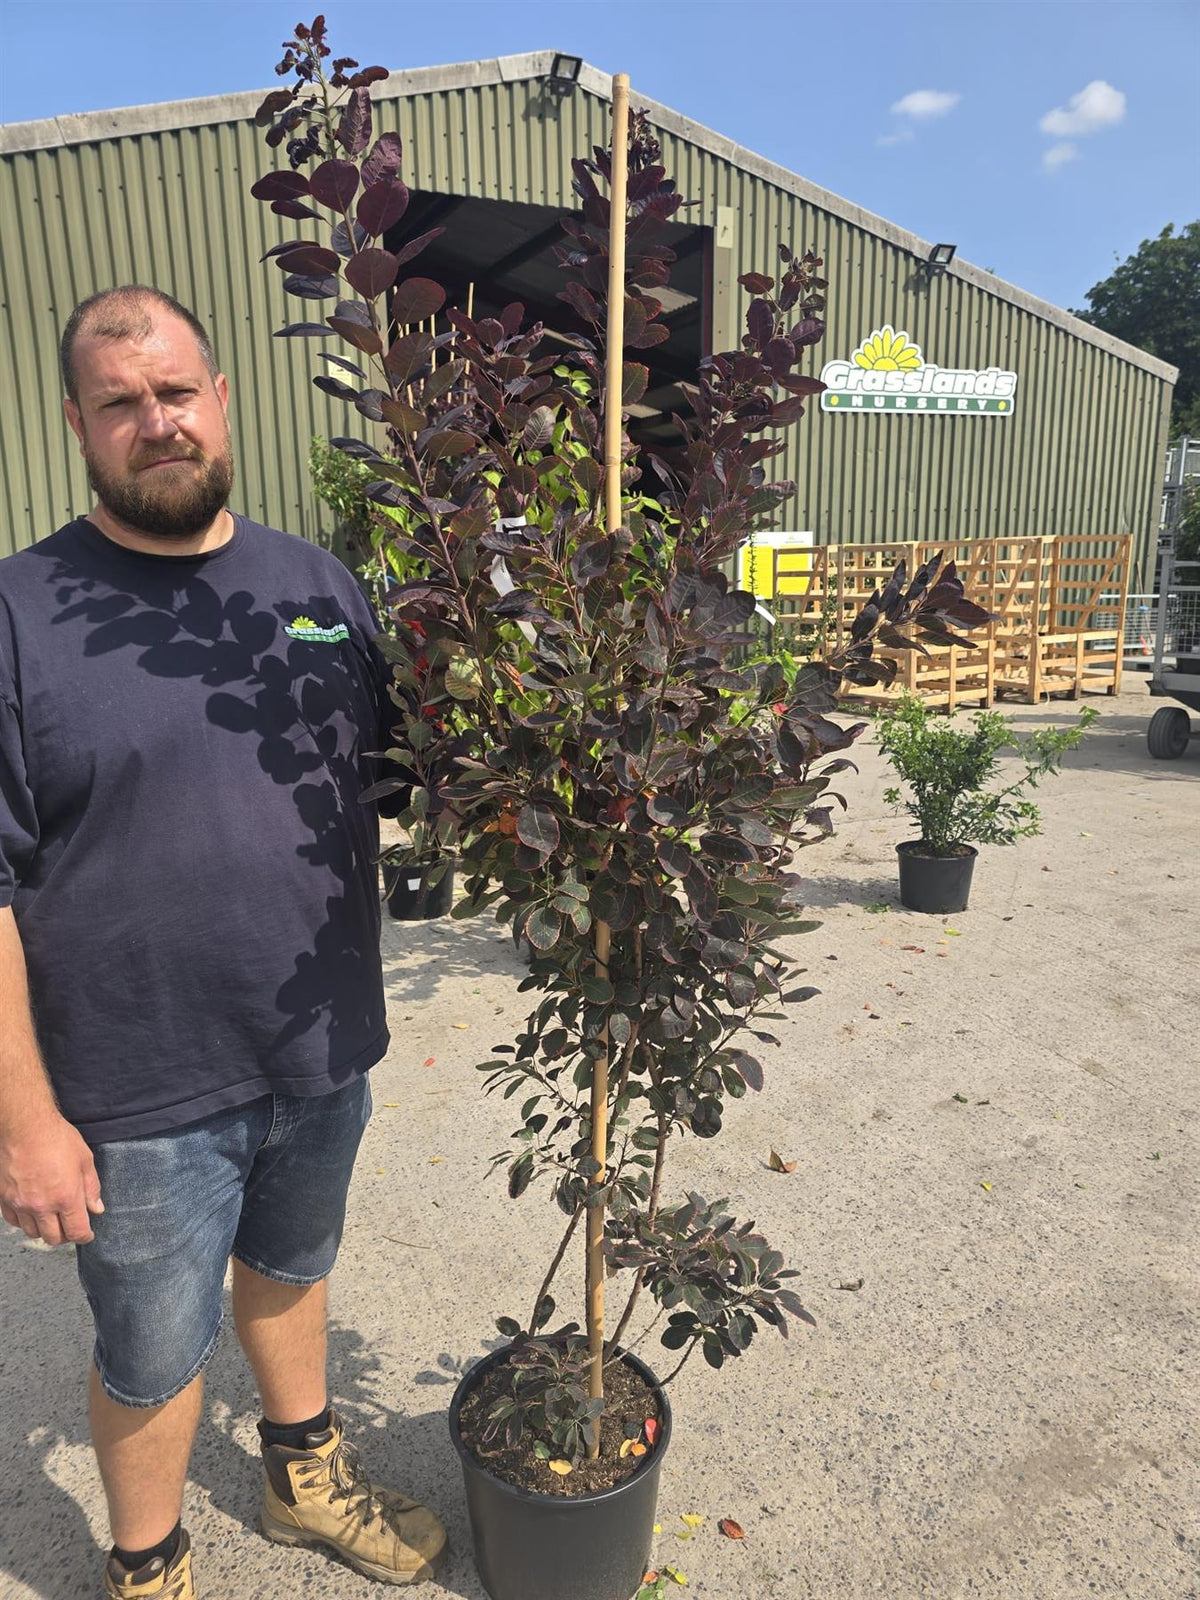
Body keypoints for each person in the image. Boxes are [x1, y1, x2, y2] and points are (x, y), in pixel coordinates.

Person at [0, 286, 446, 1598]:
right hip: (135, 1084)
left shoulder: (316, 584)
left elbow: (405, 778)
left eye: (177, 393)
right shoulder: (21, 612)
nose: (157, 423)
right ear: (78, 421)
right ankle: (150, 1565)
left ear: (222, 401)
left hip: (317, 1045)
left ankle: (300, 1473)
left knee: (295, 1265)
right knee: (150, 1350)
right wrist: (25, 1118)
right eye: (123, 403)